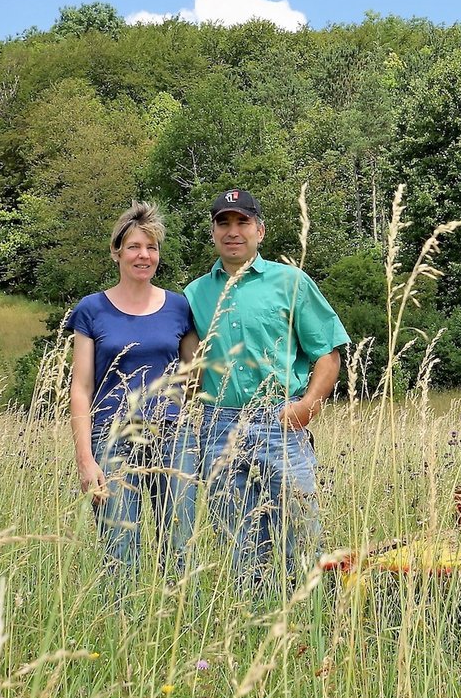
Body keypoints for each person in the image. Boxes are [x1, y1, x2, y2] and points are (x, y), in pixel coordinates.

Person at [185, 188, 350, 592]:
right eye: (224, 223)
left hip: (280, 421)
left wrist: (308, 405)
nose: (233, 232)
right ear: (213, 233)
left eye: (242, 222)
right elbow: (187, 365)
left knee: (302, 531)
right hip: (217, 427)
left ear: (260, 229)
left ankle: (312, 619)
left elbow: (327, 353)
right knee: (238, 539)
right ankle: (255, 627)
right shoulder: (192, 295)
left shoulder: (290, 281)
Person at [69, 201, 199, 587]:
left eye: (152, 247)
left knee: (178, 544)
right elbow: (81, 387)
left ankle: (179, 634)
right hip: (111, 438)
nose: (144, 256)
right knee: (119, 548)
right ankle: (120, 633)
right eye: (134, 247)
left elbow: (193, 376)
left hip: (172, 437)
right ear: (116, 252)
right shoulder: (92, 310)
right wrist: (85, 460)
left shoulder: (179, 307)